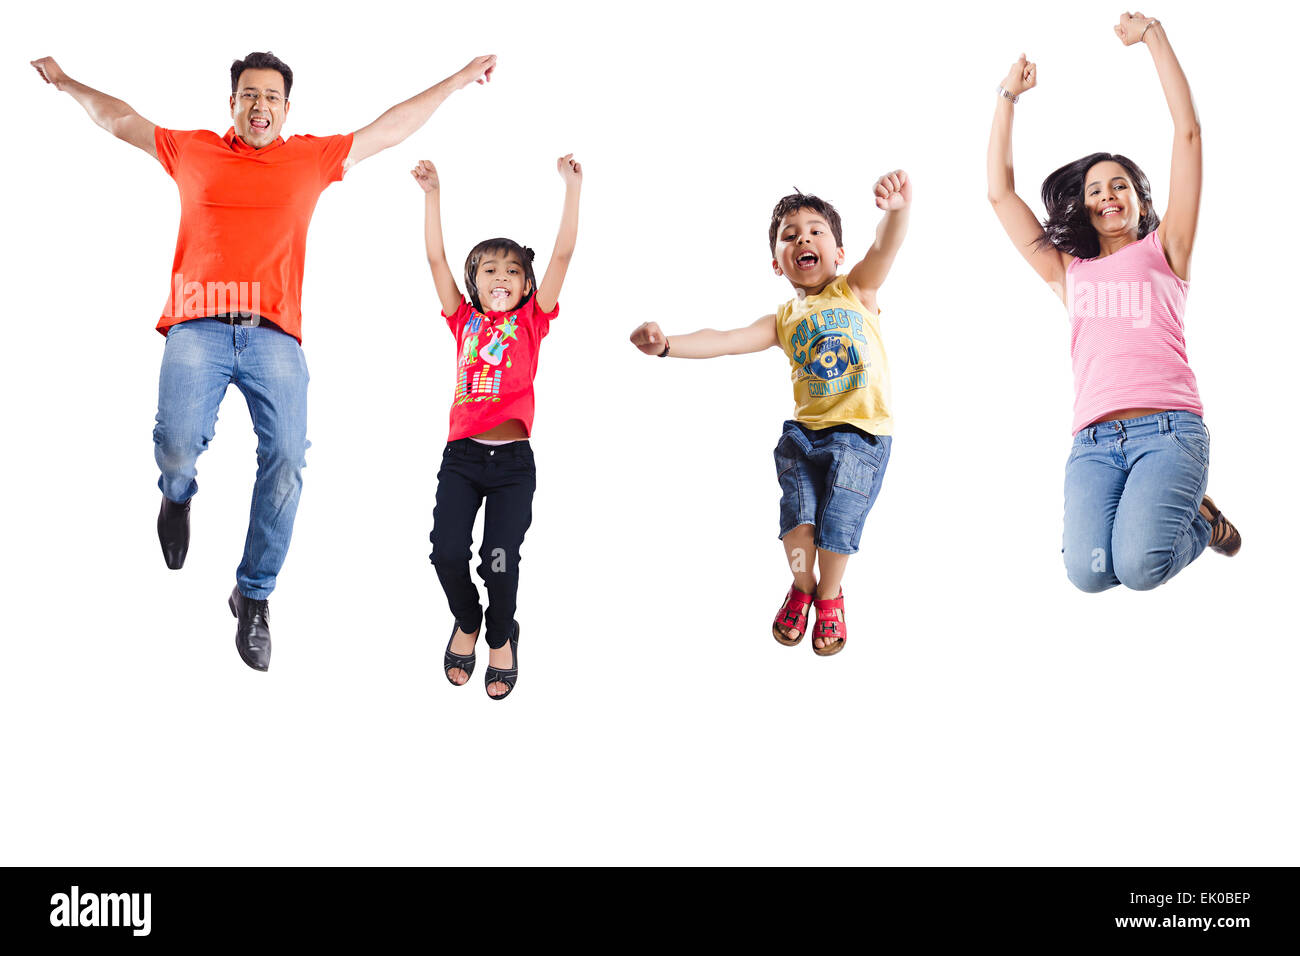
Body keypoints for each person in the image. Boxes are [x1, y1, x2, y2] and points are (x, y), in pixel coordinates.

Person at [30, 50, 498, 670]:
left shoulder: (310, 158)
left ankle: (252, 595)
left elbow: (390, 126)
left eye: (271, 97)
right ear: (232, 104)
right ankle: (177, 494)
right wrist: (64, 83)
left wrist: (460, 79)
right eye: (248, 95)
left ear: (286, 107)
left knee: (286, 460)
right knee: (176, 444)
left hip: (274, 336)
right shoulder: (191, 149)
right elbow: (120, 120)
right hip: (196, 326)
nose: (260, 107)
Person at [986, 12, 1241, 595]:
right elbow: (999, 193)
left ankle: (1202, 522)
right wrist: (1007, 97)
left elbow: (1188, 135)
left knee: (1141, 568)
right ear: (1085, 205)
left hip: (1170, 429)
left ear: (1137, 198)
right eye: (1095, 189)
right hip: (1094, 443)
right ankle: (1171, 509)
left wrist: (1153, 36)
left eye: (1119, 184)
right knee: (1090, 574)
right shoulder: (1067, 271)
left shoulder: (1166, 249)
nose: (1106, 195)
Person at [630, 174, 910, 656]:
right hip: (804, 436)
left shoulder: (856, 290)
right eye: (789, 234)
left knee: (837, 526)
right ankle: (802, 586)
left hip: (862, 435)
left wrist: (897, 211)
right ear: (778, 264)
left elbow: (885, 248)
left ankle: (829, 596)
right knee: (797, 519)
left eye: (816, 230)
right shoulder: (783, 320)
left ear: (839, 252)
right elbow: (723, 339)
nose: (803, 237)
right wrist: (667, 346)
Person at [412, 153, 582, 699]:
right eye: (490, 270)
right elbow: (437, 259)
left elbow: (562, 253)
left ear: (528, 284)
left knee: (499, 562)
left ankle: (502, 636)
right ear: (475, 283)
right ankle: (468, 621)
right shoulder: (463, 319)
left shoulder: (532, 321)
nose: (501, 278)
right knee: (445, 551)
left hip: (511, 467)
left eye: (513, 271)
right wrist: (433, 194)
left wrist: (572, 188)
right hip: (461, 460)